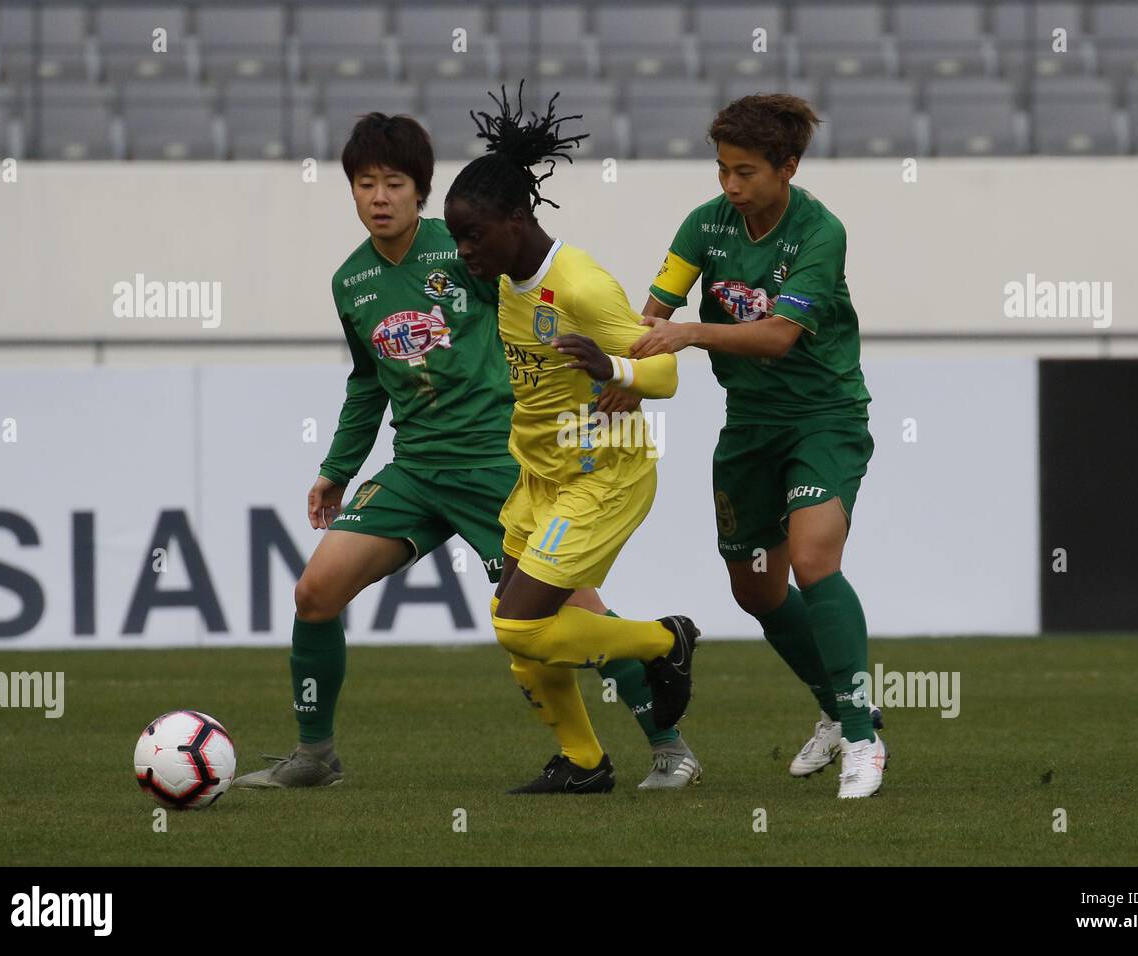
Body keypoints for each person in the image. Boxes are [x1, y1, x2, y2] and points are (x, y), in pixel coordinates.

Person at [234, 112, 700, 792]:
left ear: (420, 190)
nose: (380, 197)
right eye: (366, 183)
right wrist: (337, 468)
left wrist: (614, 374)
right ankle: (315, 755)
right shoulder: (350, 282)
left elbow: (543, 300)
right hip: (417, 469)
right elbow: (368, 381)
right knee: (315, 592)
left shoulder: (466, 248)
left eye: (395, 182)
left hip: (499, 463)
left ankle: (670, 746)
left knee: (571, 617)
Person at [628, 93, 887, 798]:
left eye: (745, 172)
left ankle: (864, 738)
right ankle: (835, 707)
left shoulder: (819, 233)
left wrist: (687, 334)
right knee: (756, 589)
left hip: (823, 418)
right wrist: (625, 372)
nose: (731, 187)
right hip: (748, 427)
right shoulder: (705, 225)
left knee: (811, 558)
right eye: (722, 171)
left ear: (788, 166)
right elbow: (653, 314)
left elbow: (775, 336)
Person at [443, 85, 700, 795]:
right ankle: (584, 765)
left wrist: (615, 367)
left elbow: (667, 370)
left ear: (518, 219)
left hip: (604, 475)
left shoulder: (582, 286)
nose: (464, 252)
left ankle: (663, 641)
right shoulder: (503, 276)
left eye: (472, 237)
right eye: (457, 237)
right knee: (521, 637)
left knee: (521, 628)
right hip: (540, 478)